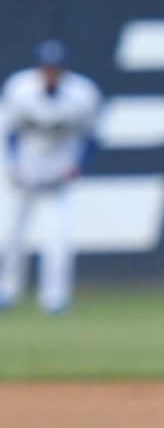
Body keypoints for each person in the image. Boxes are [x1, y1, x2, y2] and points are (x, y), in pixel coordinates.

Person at [0, 40, 102, 315]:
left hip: (60, 174)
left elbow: (92, 137)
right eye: (46, 68)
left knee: (59, 237)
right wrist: (12, 166)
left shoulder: (83, 93)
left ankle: (54, 297)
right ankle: (8, 290)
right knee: (11, 235)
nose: (51, 73)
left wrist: (79, 166)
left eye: (55, 68)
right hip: (25, 172)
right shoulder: (20, 88)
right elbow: (9, 132)